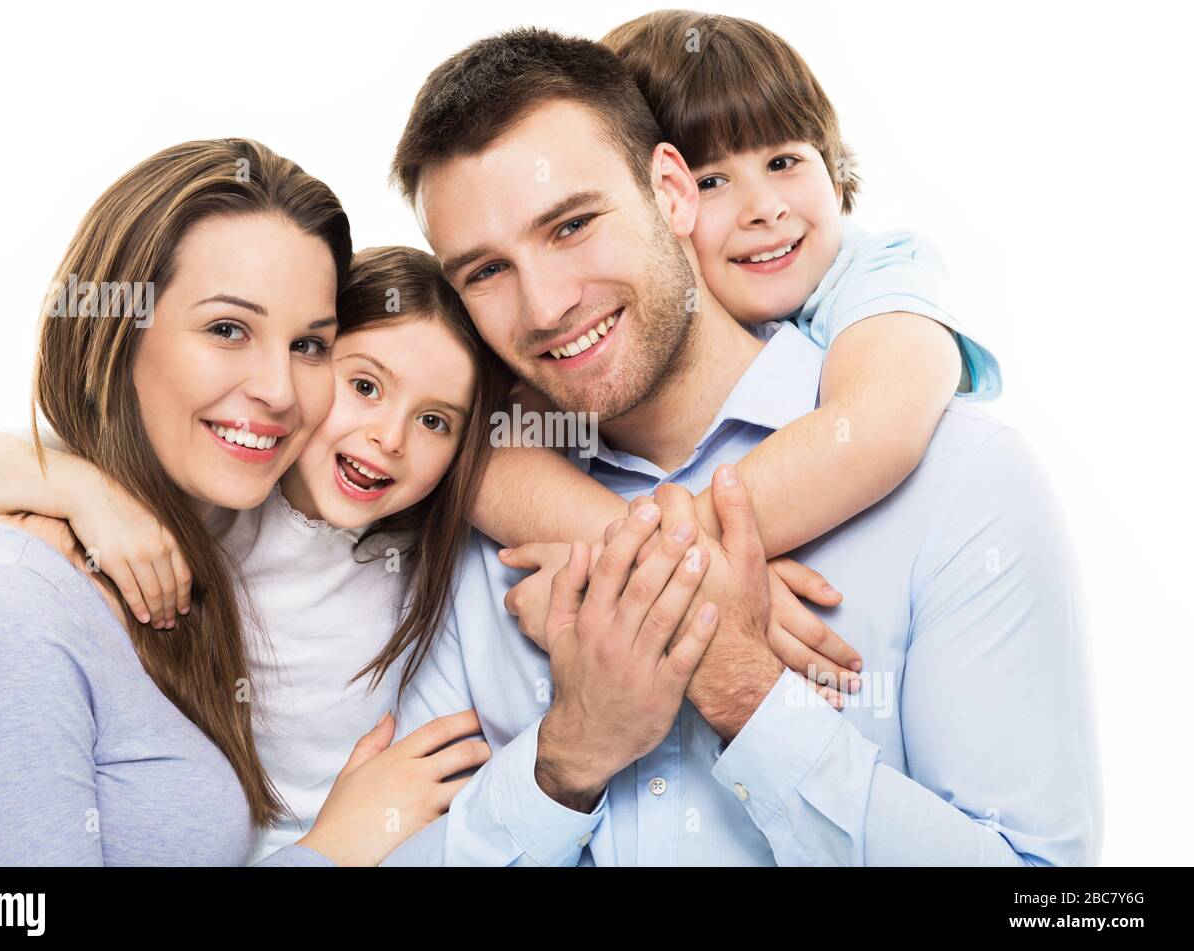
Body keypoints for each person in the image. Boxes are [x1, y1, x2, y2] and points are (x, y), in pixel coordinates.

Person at [380, 27, 1102, 866]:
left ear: (671, 190)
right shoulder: (469, 524)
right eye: (484, 272)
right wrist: (568, 757)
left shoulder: (963, 481)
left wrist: (738, 685)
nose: (544, 307)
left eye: (572, 226)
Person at [0, 140, 485, 866]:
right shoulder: (15, 603)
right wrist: (333, 848)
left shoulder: (214, 530)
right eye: (227, 329)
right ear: (115, 331)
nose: (277, 388)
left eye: (307, 344)